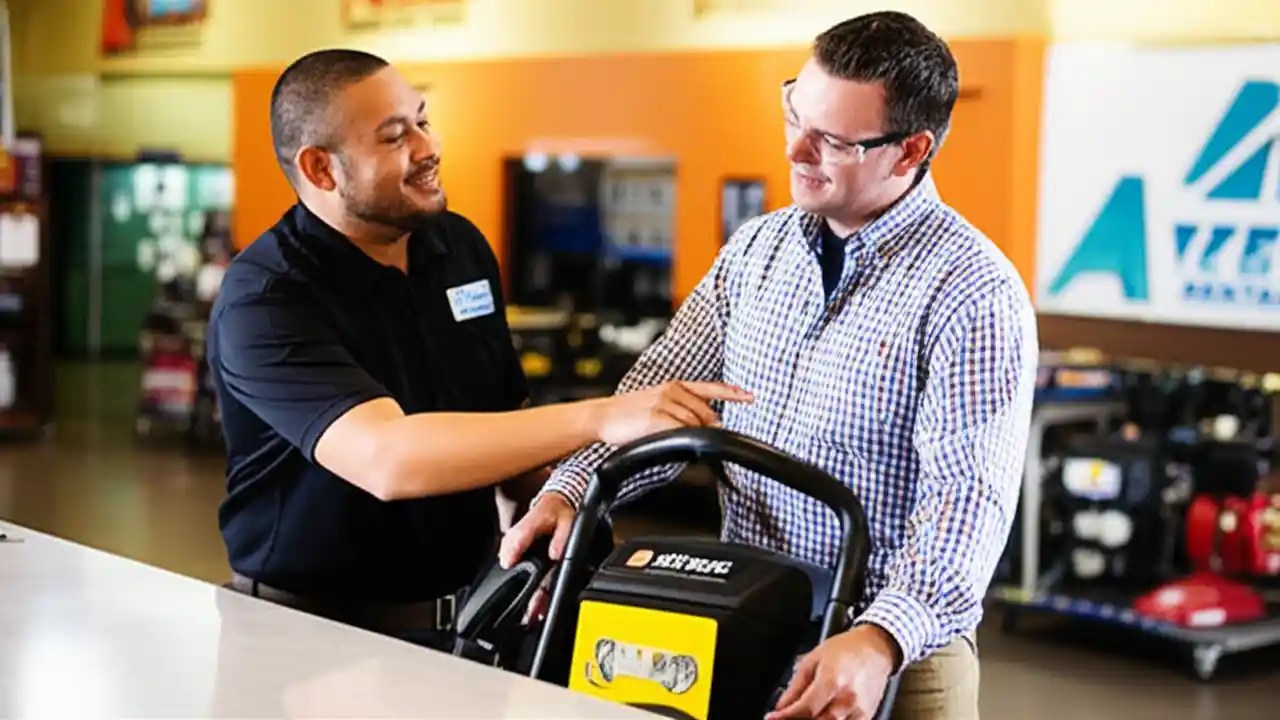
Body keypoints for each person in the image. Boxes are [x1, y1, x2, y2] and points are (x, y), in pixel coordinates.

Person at [501, 11, 1037, 720]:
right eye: (795, 114)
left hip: (888, 656)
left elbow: (967, 503)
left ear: (910, 152)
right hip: (743, 613)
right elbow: (659, 400)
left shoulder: (973, 292)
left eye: (833, 141)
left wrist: (879, 637)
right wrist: (572, 490)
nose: (796, 149)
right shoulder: (756, 252)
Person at [205, 49, 750, 650]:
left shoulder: (456, 246)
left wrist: (552, 502)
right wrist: (601, 415)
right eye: (394, 137)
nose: (426, 146)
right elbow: (388, 459)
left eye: (421, 120)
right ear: (321, 169)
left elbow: (501, 423)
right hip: (308, 637)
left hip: (466, 626)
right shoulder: (268, 297)